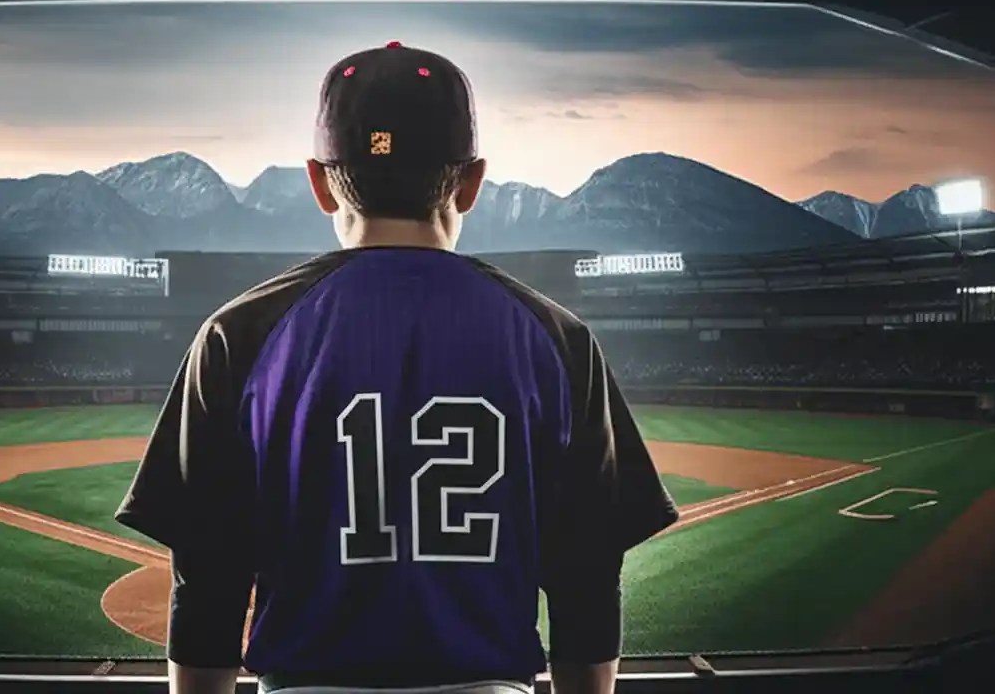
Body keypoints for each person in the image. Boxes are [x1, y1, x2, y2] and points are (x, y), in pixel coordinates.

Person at [115, 41, 680, 694]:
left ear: (320, 182)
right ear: (471, 181)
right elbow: (587, 586)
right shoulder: (557, 338)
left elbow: (207, 588)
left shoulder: (237, 334)